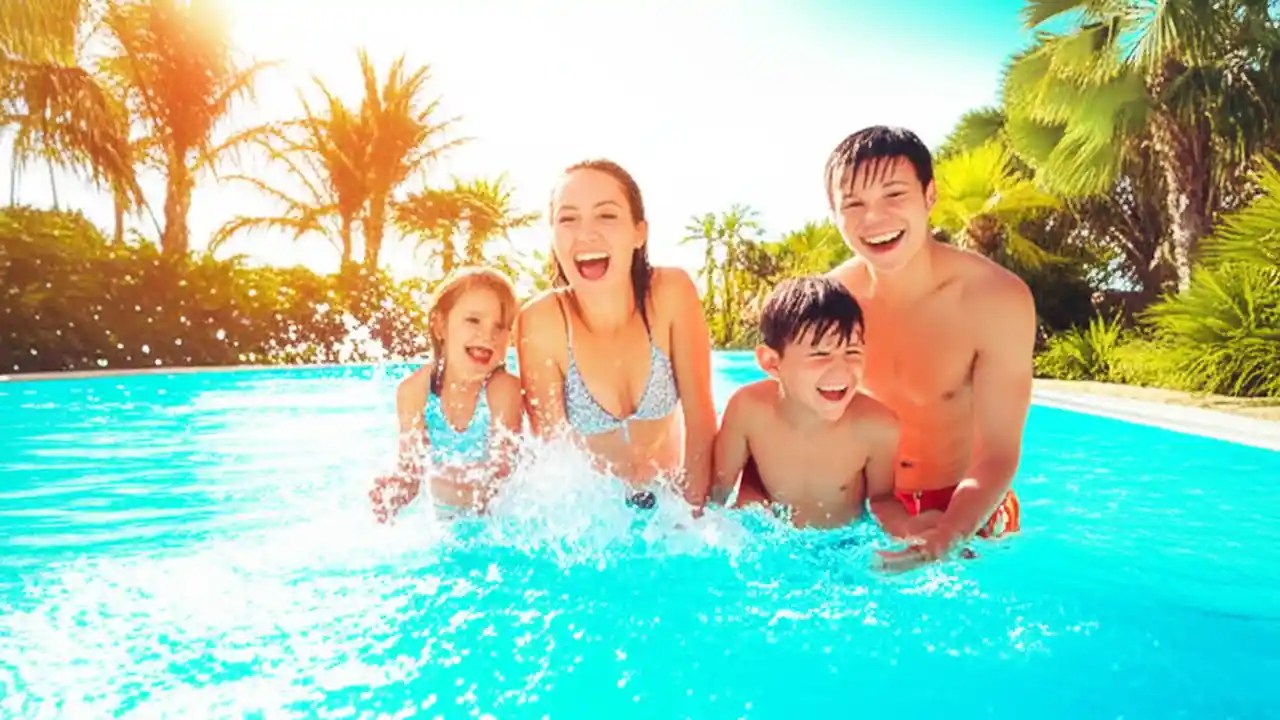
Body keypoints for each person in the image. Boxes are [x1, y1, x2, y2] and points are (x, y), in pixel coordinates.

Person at [819, 125, 1034, 571]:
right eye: (853, 205)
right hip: (869, 508)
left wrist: (947, 534)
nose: (873, 220)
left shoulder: (995, 300)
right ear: (835, 215)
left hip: (967, 506)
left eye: (894, 196)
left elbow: (998, 451)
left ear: (929, 195)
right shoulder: (830, 304)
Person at [515, 159, 717, 508]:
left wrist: (693, 517)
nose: (586, 234)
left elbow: (701, 421)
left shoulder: (671, 293)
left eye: (606, 215)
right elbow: (554, 462)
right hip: (596, 520)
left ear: (640, 232)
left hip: (672, 508)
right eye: (567, 218)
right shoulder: (541, 322)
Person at [710, 276, 899, 529]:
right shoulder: (748, 410)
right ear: (772, 362)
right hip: (774, 545)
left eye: (852, 352)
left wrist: (915, 536)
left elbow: (883, 502)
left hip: (844, 545)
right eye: (820, 354)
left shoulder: (877, 426)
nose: (840, 370)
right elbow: (717, 493)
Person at [370, 266, 524, 522]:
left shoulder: (503, 390)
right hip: (446, 528)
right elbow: (411, 472)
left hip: (497, 523)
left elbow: (503, 474)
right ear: (440, 325)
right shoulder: (414, 393)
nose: (488, 334)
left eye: (500, 326)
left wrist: (449, 484)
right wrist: (393, 492)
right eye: (474, 320)